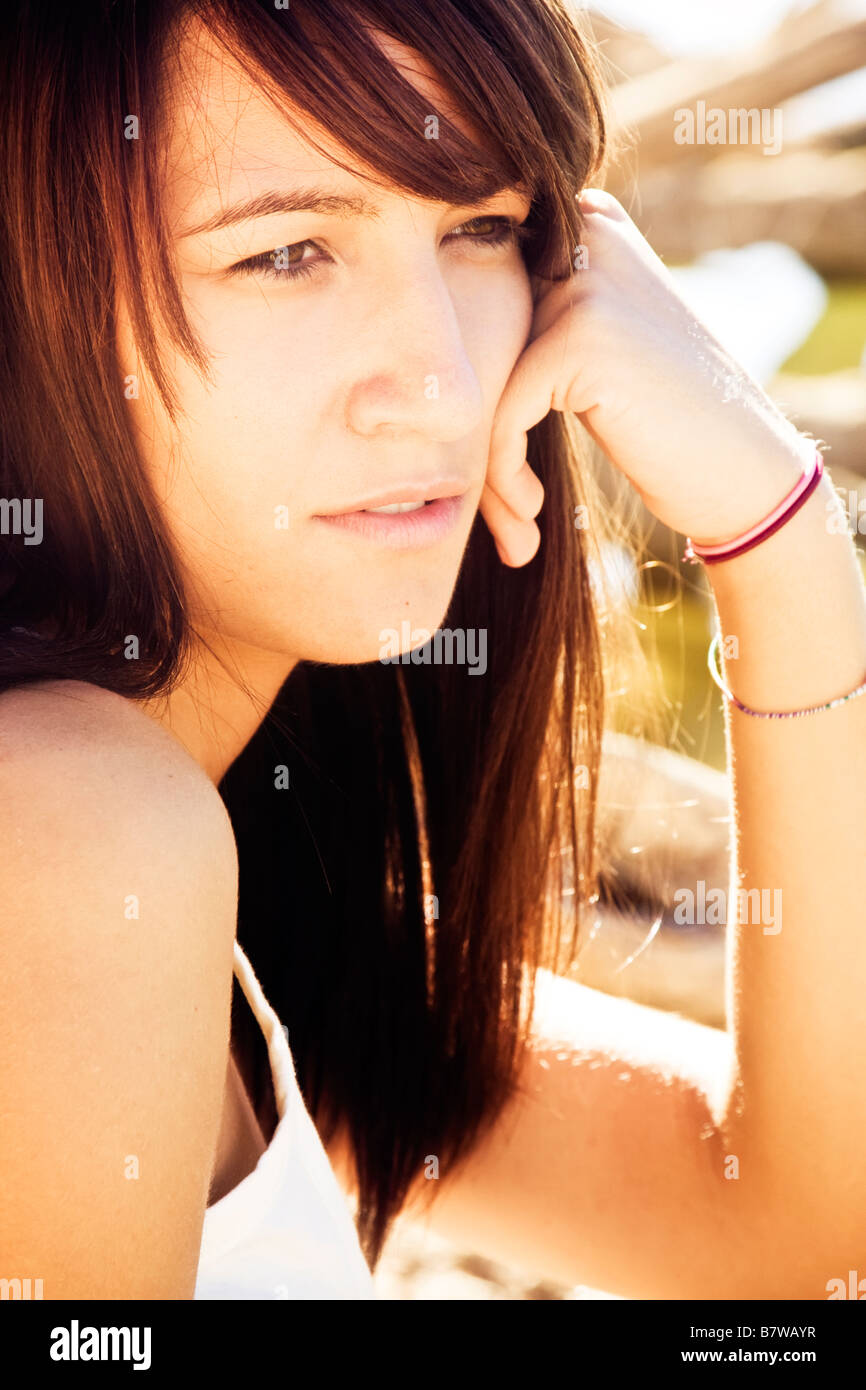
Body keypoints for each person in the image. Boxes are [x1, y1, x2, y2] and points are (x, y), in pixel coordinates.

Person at [1, 0, 864, 1301]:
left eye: (481, 229)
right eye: (285, 253)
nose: (444, 381)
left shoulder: (241, 890)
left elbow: (795, 1234)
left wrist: (779, 536)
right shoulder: (70, 828)